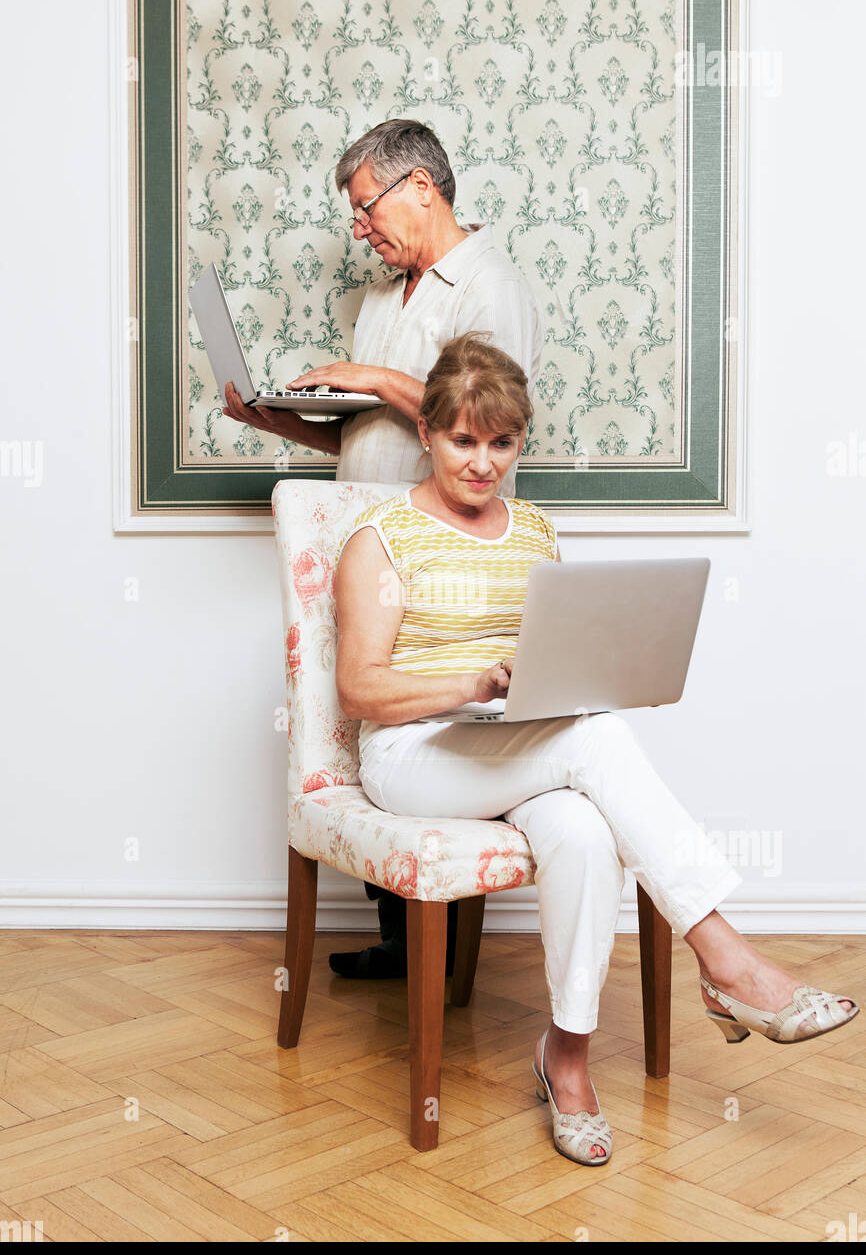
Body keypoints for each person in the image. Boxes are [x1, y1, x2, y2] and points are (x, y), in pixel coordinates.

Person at [333, 331, 859, 1165]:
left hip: (515, 744)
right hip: (414, 754)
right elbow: (358, 690)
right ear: (428, 433)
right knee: (596, 742)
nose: (482, 463)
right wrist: (470, 683)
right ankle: (727, 959)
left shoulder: (536, 532)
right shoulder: (379, 537)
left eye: (501, 443)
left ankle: (566, 1062)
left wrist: (581, 678)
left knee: (582, 831)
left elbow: (556, 663)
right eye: (463, 441)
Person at [223, 119, 543, 980]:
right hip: (366, 544)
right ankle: (408, 945)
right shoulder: (379, 301)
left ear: (421, 188)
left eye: (367, 209)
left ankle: (446, 954)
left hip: (443, 554)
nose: (360, 230)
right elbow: (368, 439)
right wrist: (275, 419)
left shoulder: (490, 286)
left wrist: (370, 378)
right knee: (362, 714)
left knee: (429, 717)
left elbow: (482, 423)